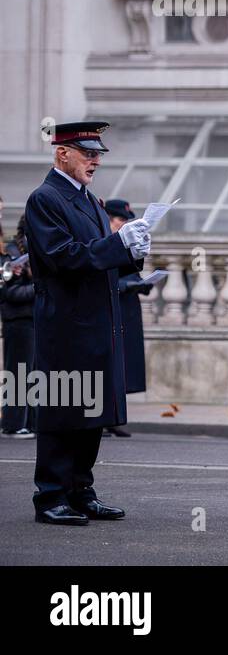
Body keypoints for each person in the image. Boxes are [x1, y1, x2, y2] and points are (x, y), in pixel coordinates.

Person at [24, 121, 150, 525]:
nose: (95, 160)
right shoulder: (45, 198)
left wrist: (134, 252)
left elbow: (102, 258)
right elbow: (64, 256)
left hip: (95, 322)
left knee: (91, 414)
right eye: (88, 153)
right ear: (62, 153)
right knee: (63, 412)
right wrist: (119, 244)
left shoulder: (89, 200)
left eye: (97, 154)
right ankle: (51, 497)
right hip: (66, 325)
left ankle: (80, 490)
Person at [104, 199, 154, 438]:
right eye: (120, 220)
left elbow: (130, 273)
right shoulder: (104, 242)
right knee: (108, 366)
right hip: (111, 312)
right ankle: (101, 418)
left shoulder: (123, 243)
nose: (124, 224)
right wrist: (126, 286)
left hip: (128, 311)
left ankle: (113, 417)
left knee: (122, 367)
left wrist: (142, 285)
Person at [1, 216, 36, 438]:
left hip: (32, 320)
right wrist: (37, 288)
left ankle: (30, 423)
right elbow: (7, 293)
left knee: (32, 375)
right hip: (18, 321)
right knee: (17, 374)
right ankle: (13, 424)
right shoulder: (11, 253)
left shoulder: (34, 253)